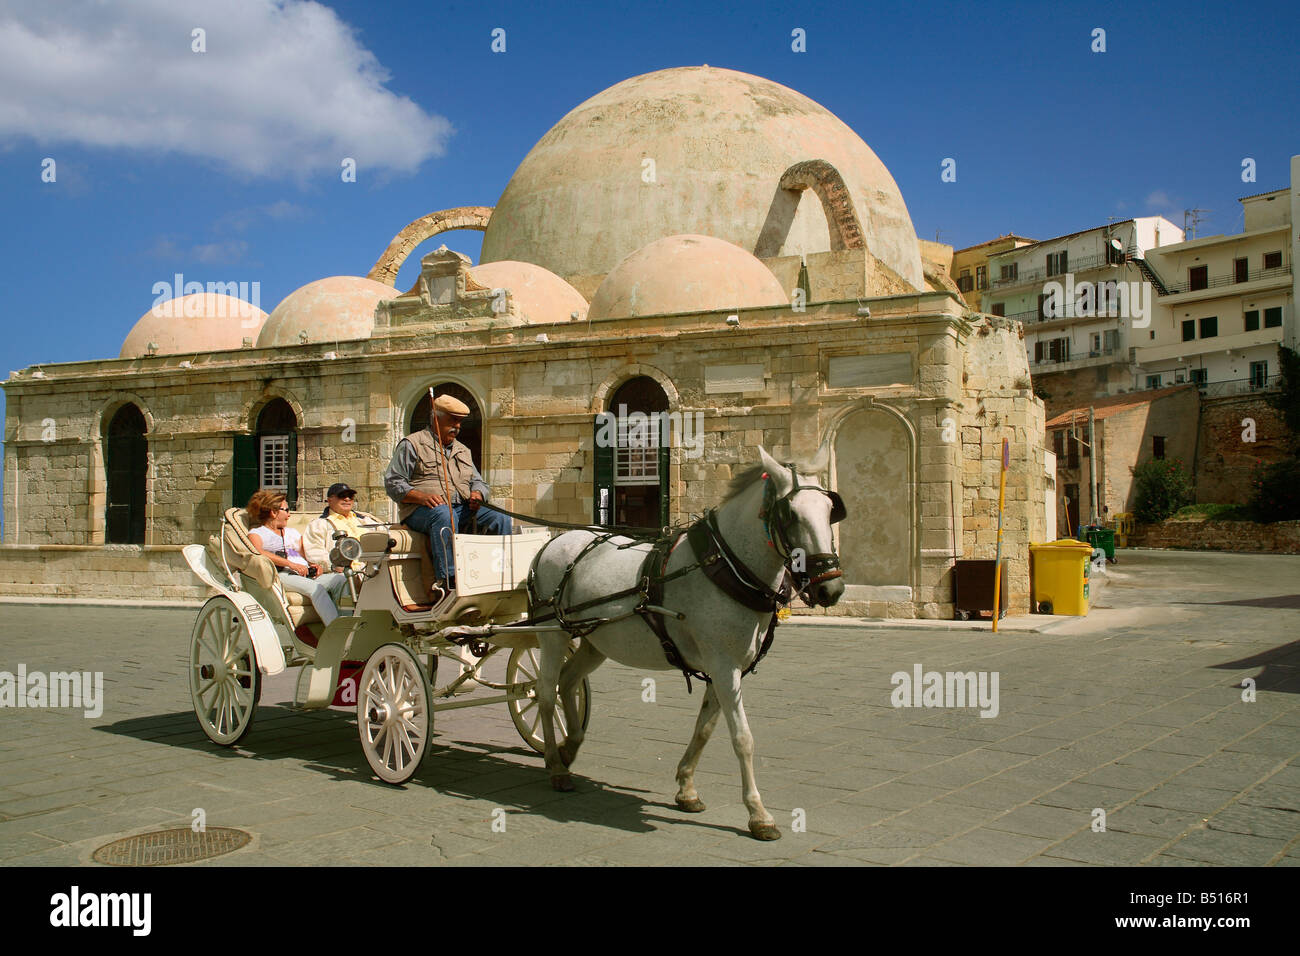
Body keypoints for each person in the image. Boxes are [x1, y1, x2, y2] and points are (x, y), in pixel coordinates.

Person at [383, 393, 510, 589]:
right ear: (435, 418)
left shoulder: (463, 450)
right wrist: (421, 497)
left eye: (460, 422)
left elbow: (479, 482)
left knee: (499, 517)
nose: (458, 426)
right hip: (421, 511)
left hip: (461, 508)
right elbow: (393, 482)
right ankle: (449, 580)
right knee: (444, 515)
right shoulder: (413, 444)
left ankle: (499, 573)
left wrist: (478, 494)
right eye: (453, 420)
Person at [245, 489, 348, 626]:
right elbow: (258, 552)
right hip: (281, 574)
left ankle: (347, 624)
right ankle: (336, 629)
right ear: (273, 512)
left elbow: (303, 556)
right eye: (286, 510)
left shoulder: (291, 533)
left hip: (304, 573)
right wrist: (290, 564)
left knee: (340, 579)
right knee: (315, 589)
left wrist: (314, 566)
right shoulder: (257, 533)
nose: (289, 515)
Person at [304, 482, 382, 572]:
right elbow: (315, 553)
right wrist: (336, 566)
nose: (347, 499)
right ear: (329, 500)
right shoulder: (319, 524)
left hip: (372, 569)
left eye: (350, 496)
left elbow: (386, 535)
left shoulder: (365, 520)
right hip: (342, 573)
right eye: (342, 496)